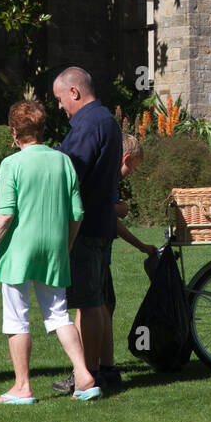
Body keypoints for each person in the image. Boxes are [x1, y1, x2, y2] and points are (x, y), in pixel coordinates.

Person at [0, 100, 100, 402]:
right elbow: (77, 214)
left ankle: (22, 387)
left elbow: (4, 215)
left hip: (19, 250)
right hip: (54, 249)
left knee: (17, 317)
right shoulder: (63, 161)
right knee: (59, 314)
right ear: (43, 129)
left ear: (14, 131)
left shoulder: (11, 164)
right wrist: (66, 246)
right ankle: (83, 375)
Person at [51, 67, 122, 392]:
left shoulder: (88, 123)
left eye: (60, 98)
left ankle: (88, 372)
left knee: (88, 301)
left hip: (86, 225)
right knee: (98, 299)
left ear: (74, 92)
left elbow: (69, 174)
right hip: (101, 221)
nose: (60, 106)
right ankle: (105, 368)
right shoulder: (104, 119)